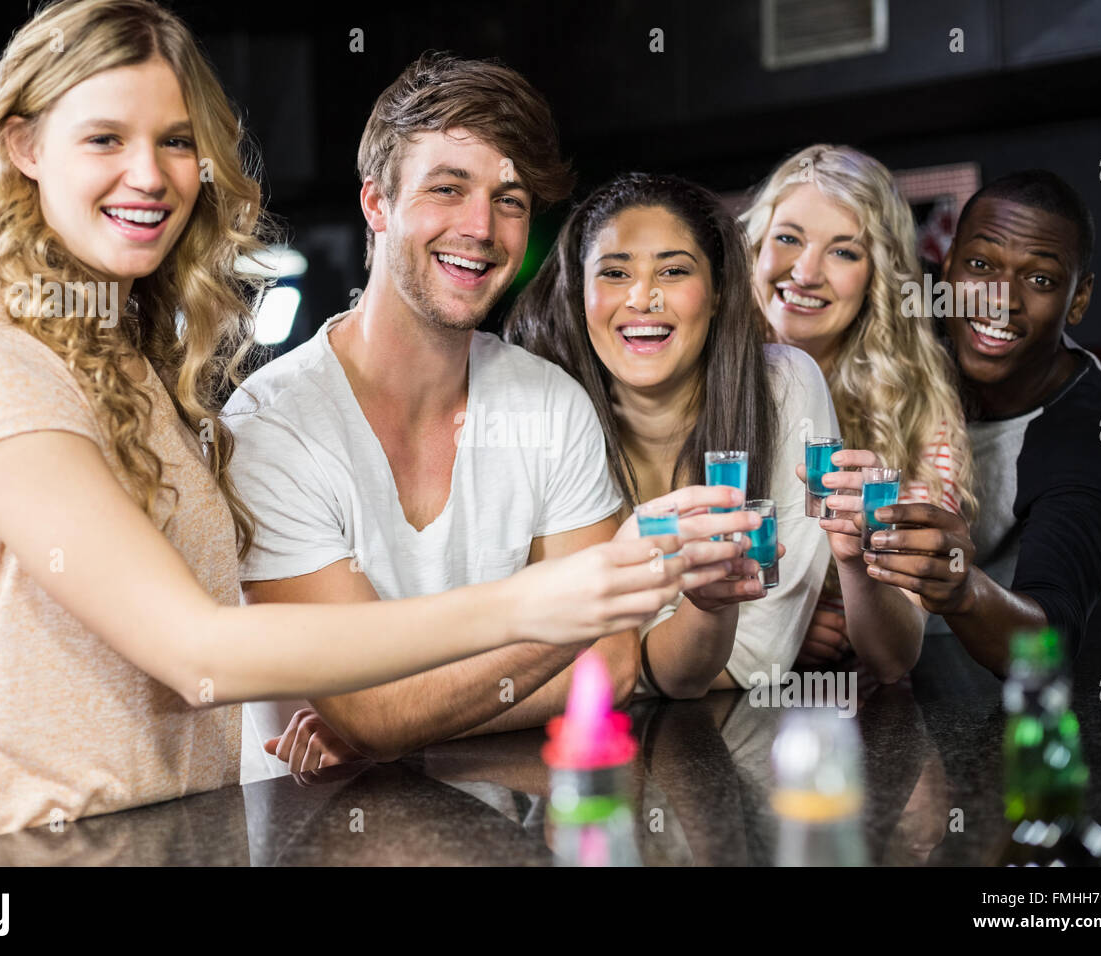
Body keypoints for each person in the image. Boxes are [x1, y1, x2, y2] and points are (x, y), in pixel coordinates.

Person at [0, 0, 688, 851]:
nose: (149, 174)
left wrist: (384, 722)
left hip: (182, 837)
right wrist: (528, 606)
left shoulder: (138, 370)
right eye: (106, 138)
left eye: (177, 142)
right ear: (23, 147)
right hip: (24, 851)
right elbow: (198, 651)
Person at [225, 56, 743, 778]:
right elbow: (373, 709)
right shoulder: (270, 428)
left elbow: (614, 664)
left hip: (501, 820)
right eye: (448, 189)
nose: (482, 227)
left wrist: (401, 728)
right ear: (377, 204)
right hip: (304, 829)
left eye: (510, 199)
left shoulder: (550, 403)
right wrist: (384, 718)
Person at [506, 172, 840, 694]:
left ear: (717, 292)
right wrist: (630, 658)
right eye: (615, 273)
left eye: (674, 271)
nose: (643, 298)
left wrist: (632, 652)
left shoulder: (786, 385)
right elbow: (553, 653)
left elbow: (755, 659)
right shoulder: (540, 415)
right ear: (580, 295)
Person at [854, 170, 1101, 689]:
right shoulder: (903, 325)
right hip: (844, 669)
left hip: (963, 680)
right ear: (949, 262)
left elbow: (1050, 646)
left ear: (1079, 298)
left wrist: (960, 590)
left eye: (1041, 279)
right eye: (981, 265)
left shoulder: (1086, 428)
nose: (998, 300)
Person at [741, 144, 976, 683]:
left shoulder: (916, 407)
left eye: (844, 252)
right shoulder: (695, 371)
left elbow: (896, 656)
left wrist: (855, 571)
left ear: (879, 275)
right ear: (754, 245)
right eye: (788, 238)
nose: (804, 272)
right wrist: (780, 627)